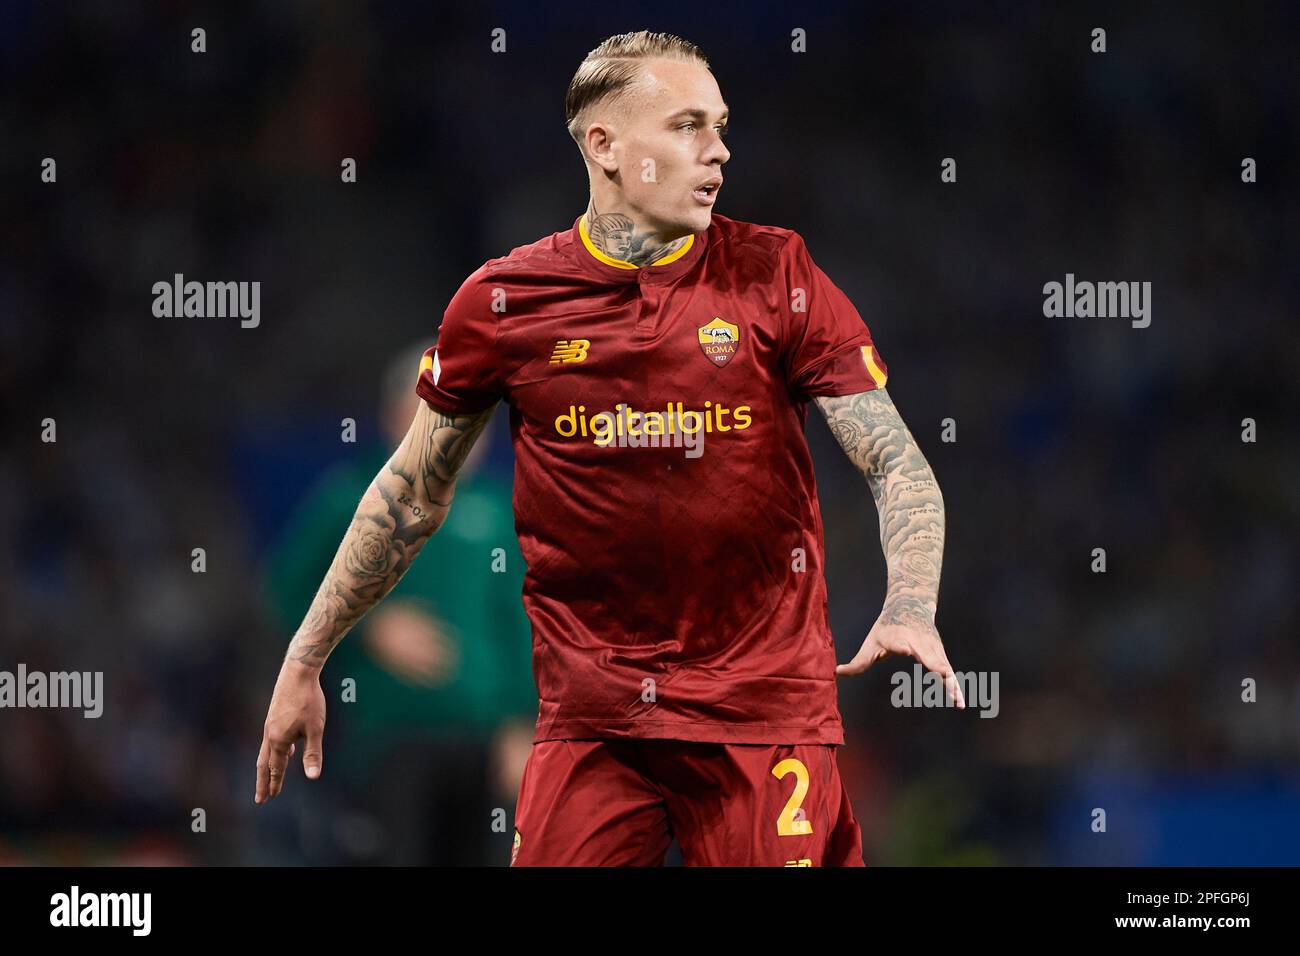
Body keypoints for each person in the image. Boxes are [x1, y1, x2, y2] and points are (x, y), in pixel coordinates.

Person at [255, 30, 964, 867]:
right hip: (593, 728)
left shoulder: (778, 274)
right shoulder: (504, 303)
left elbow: (892, 458)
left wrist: (911, 599)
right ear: (605, 146)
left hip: (761, 715)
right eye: (688, 126)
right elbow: (410, 494)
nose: (720, 151)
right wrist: (307, 656)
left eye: (722, 125)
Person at [261, 343, 536, 864]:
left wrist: (523, 723)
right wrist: (368, 624)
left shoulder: (500, 511)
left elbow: (523, 622)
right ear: (398, 416)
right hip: (385, 739)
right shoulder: (352, 498)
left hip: (485, 743)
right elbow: (285, 592)